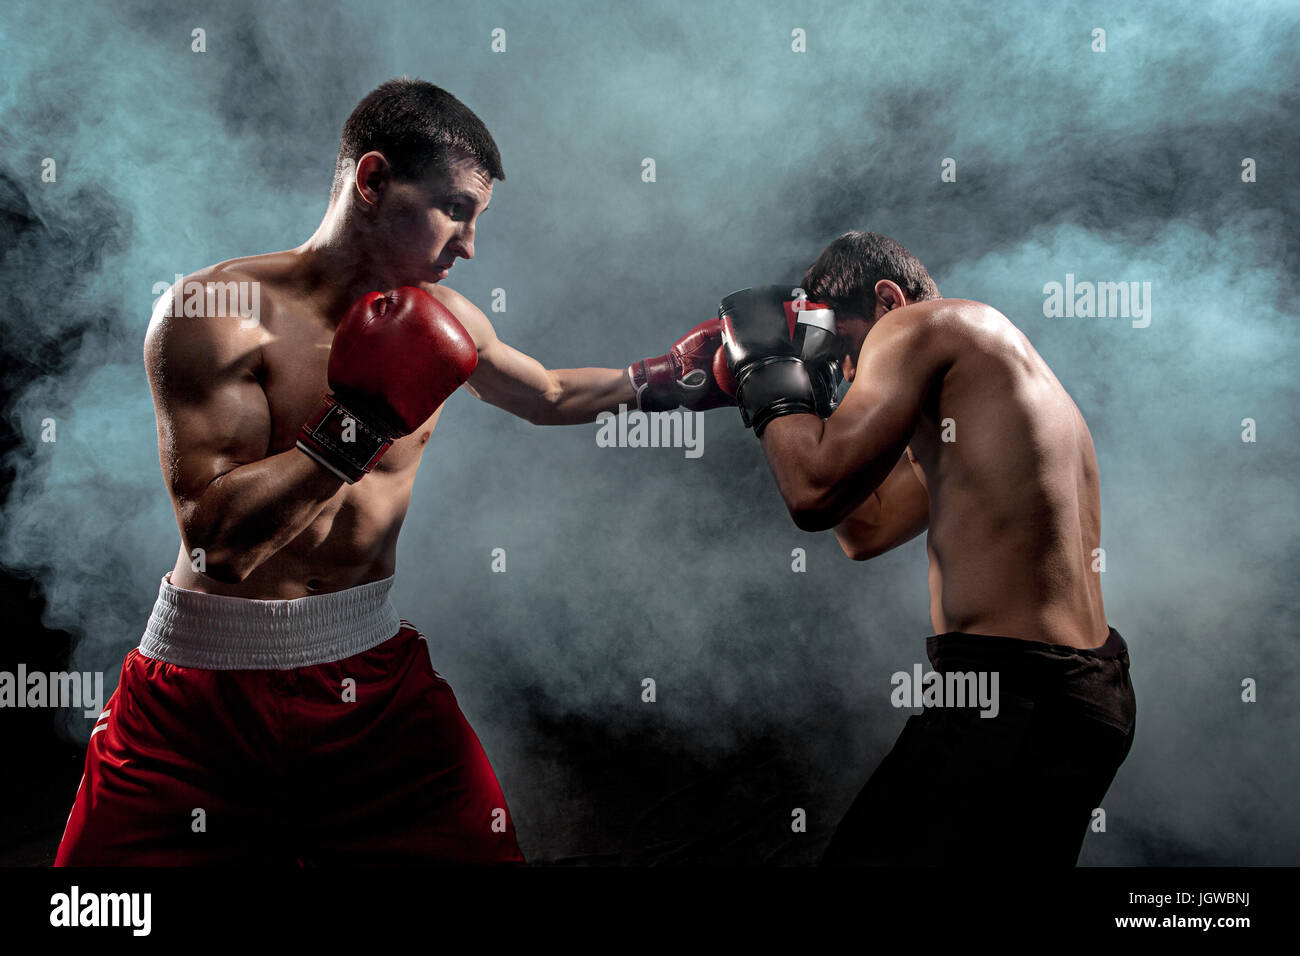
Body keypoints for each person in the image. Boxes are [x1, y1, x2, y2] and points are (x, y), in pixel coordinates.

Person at [54, 78, 731, 866]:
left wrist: (682, 380)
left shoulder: (448, 320)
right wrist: (361, 423)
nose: (468, 246)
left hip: (370, 683)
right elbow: (220, 545)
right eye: (456, 210)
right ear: (372, 180)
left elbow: (545, 394)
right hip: (204, 692)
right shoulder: (215, 313)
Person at [718, 232, 1137, 865]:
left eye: (847, 349)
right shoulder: (987, 385)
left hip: (1013, 692)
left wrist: (766, 375)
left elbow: (810, 491)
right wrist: (809, 396)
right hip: (1083, 700)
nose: (853, 373)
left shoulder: (920, 324)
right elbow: (866, 530)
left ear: (887, 300)